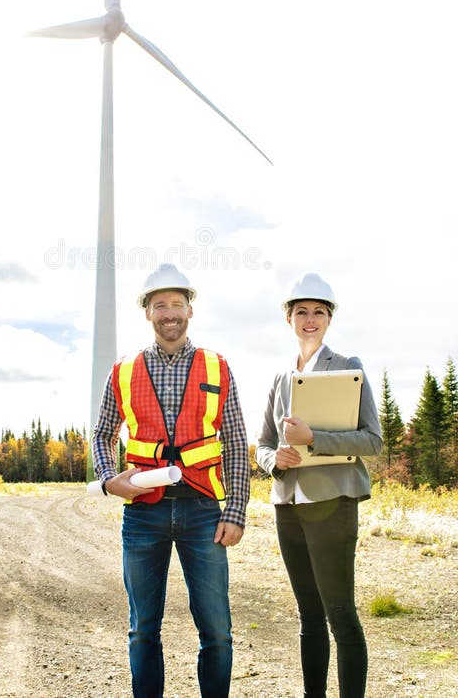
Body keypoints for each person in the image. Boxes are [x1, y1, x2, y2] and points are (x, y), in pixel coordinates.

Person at [92, 263, 250, 698]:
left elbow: (235, 439)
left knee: (217, 631)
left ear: (190, 310)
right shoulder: (122, 371)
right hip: (144, 512)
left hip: (203, 511)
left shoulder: (217, 367)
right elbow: (103, 433)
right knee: (143, 629)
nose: (169, 313)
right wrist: (109, 479)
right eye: (159, 305)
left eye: (177, 304)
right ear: (148, 313)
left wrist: (236, 511)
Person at [256, 273, 382, 698]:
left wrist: (314, 440)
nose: (310, 319)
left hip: (333, 503)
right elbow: (263, 445)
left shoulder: (349, 368)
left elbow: (372, 440)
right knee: (308, 615)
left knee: (340, 613)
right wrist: (276, 459)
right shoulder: (279, 378)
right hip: (287, 507)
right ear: (289, 319)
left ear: (329, 319)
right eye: (301, 312)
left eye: (319, 312)